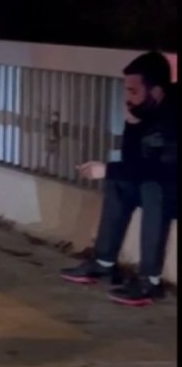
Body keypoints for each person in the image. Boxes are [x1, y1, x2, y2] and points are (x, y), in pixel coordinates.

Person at [61, 52, 177, 306]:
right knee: (120, 183)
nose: (127, 98)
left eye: (134, 91)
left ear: (156, 91)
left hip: (169, 184)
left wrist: (107, 169)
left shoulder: (172, 116)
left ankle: (151, 282)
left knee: (152, 188)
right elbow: (131, 161)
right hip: (161, 181)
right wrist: (133, 125)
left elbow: (163, 170)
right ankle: (104, 263)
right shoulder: (148, 109)